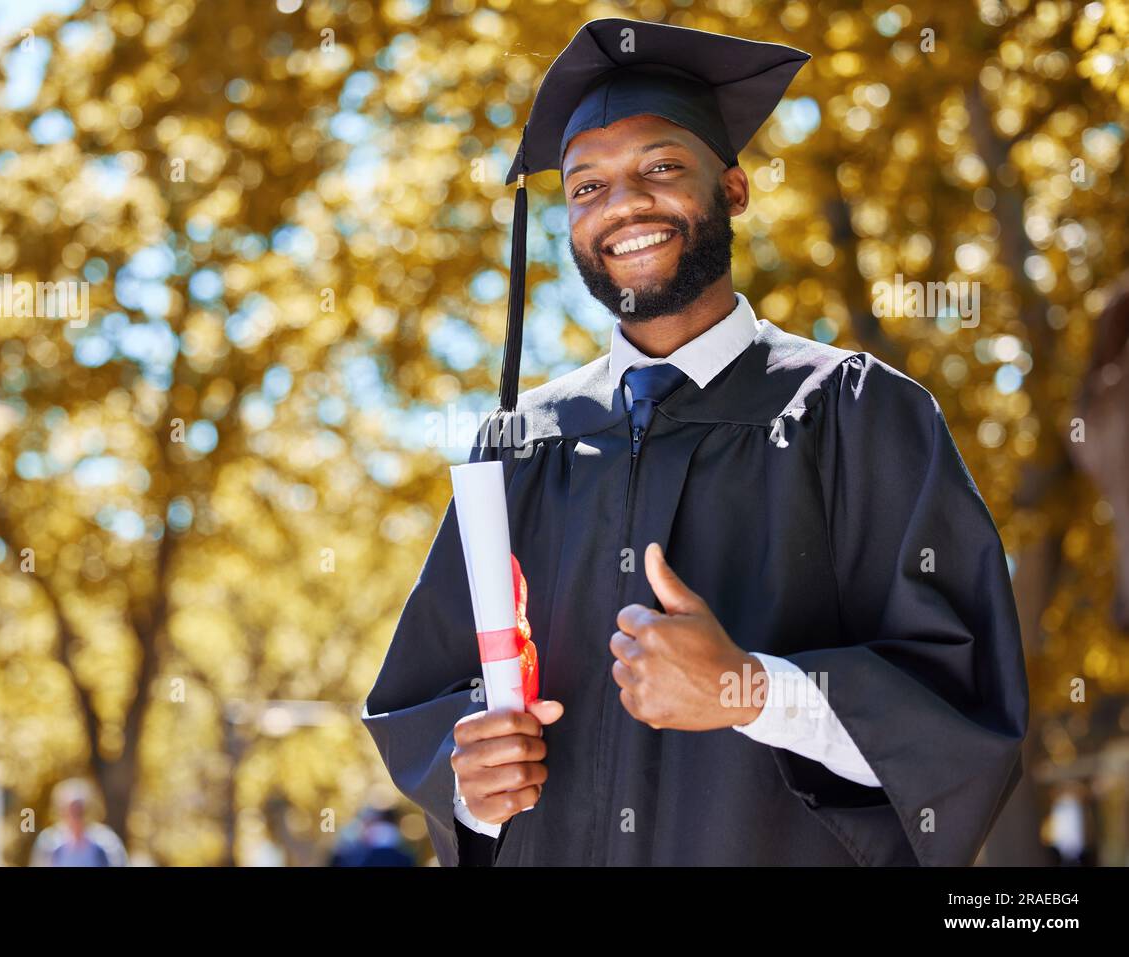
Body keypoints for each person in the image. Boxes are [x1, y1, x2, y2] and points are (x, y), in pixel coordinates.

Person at [363, 18, 1029, 866]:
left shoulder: (858, 415)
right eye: (586, 187)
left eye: (662, 168)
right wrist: (472, 781)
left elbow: (963, 721)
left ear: (736, 189)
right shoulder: (521, 447)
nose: (624, 205)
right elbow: (425, 706)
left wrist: (750, 690)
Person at [29, 778, 128, 867]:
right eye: (71, 810)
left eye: (80, 810)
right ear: (62, 811)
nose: (76, 816)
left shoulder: (106, 843)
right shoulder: (49, 844)